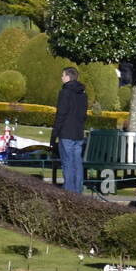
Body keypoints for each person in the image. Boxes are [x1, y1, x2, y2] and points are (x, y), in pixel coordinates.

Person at [51, 66, 88, 194]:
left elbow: (61, 114)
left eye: (63, 75)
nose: (61, 77)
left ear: (68, 77)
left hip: (66, 133)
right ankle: (77, 191)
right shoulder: (83, 94)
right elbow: (83, 115)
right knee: (77, 163)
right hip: (78, 133)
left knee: (67, 163)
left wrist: (54, 134)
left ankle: (69, 193)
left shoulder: (65, 93)